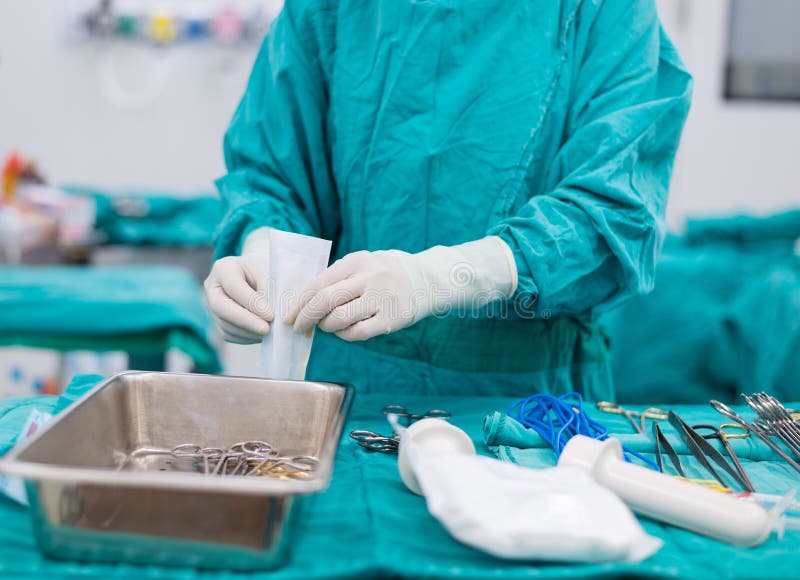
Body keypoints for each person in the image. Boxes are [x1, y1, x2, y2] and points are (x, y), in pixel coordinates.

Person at [205, 0, 692, 398]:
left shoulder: (602, 10)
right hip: (347, 396)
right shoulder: (329, 10)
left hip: (531, 403)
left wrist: (437, 280)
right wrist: (262, 254)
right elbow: (272, 173)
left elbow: (613, 214)